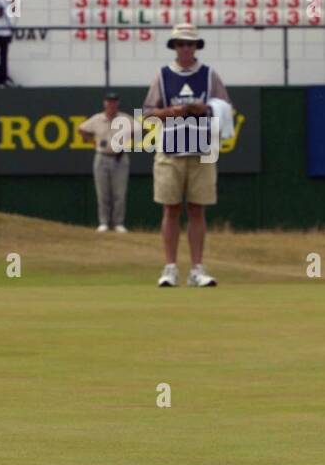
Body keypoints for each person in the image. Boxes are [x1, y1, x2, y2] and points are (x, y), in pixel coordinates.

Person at [142, 23, 231, 287]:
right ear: (174, 46)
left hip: (201, 149)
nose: (185, 48)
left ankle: (197, 268)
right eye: (180, 43)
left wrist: (202, 108)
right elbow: (148, 112)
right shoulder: (162, 75)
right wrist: (171, 112)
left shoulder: (209, 75)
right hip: (170, 148)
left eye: (189, 43)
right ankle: (170, 267)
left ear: (196, 46)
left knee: (196, 209)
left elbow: (225, 107)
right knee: (170, 209)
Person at [77, 92, 133, 233]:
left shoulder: (125, 118)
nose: (111, 104)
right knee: (103, 193)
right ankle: (103, 223)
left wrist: (126, 140)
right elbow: (81, 129)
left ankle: (118, 223)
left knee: (119, 193)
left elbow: (138, 129)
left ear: (117, 103)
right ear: (105, 103)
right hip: (102, 156)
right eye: (109, 102)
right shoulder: (97, 119)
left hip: (119, 157)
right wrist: (92, 141)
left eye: (114, 102)